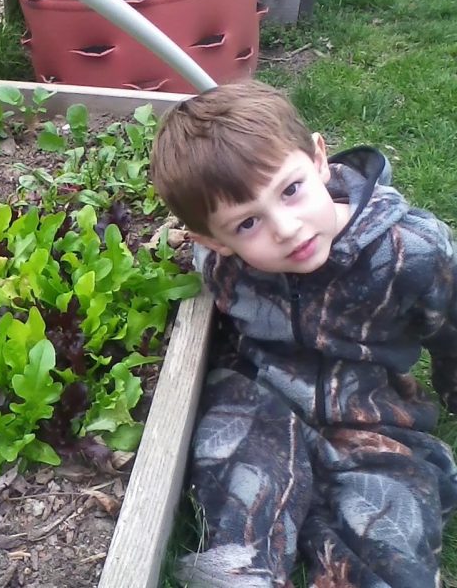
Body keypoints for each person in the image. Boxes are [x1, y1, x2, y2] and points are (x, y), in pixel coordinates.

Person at [149, 79, 457, 588]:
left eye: (291, 190)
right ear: (213, 241)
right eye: (247, 224)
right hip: (253, 402)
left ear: (319, 159)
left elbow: (452, 332)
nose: (287, 229)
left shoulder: (413, 253)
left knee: (393, 529)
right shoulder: (221, 265)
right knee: (239, 505)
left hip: (373, 420)